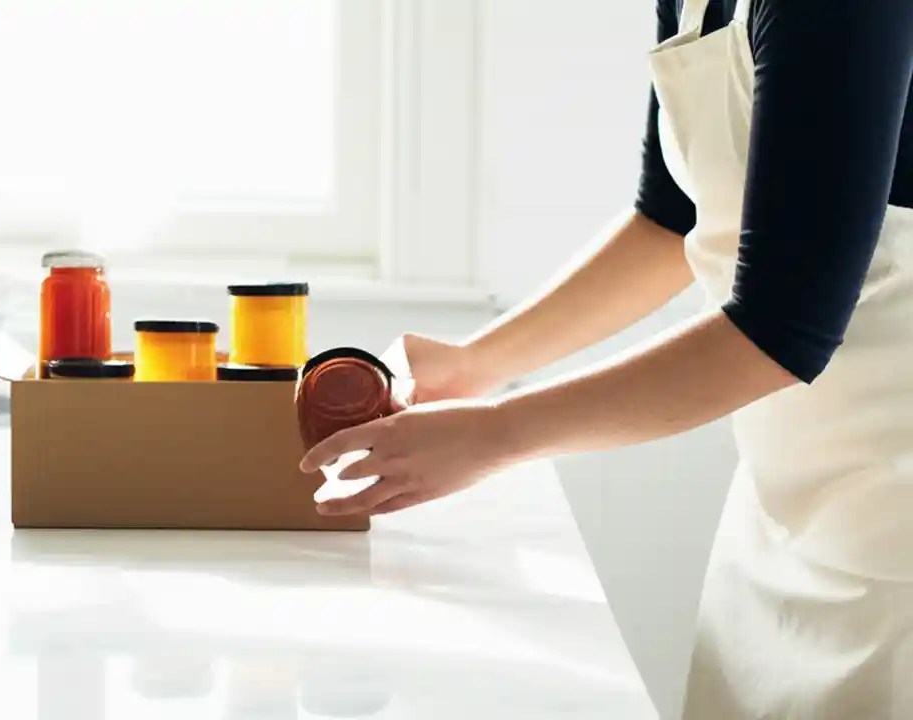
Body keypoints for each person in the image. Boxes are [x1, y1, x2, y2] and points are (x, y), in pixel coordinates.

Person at [299, 0, 913, 717]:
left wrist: (493, 435)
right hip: (783, 515)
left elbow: (781, 331)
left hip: (893, 543)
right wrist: (474, 364)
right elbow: (670, 222)